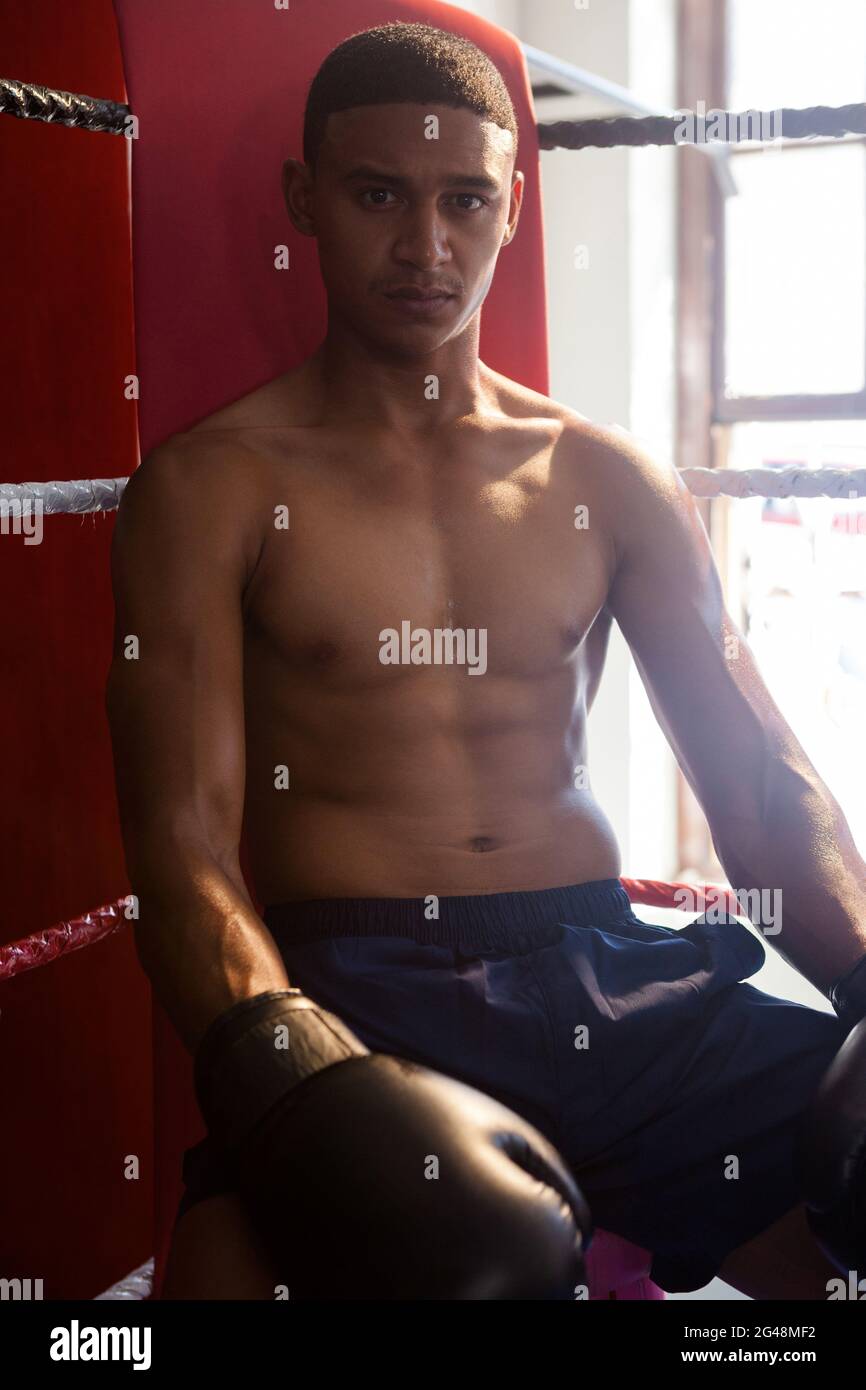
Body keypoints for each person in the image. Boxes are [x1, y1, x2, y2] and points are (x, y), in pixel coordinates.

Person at [106, 21, 866, 1299]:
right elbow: (179, 848)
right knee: (217, 1285)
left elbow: (757, 786)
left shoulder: (605, 478)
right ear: (306, 200)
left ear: (514, 207)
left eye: (464, 200)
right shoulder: (210, 488)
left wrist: (862, 981)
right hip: (355, 1001)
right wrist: (290, 1067)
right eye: (376, 197)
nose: (424, 248)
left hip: (612, 990)